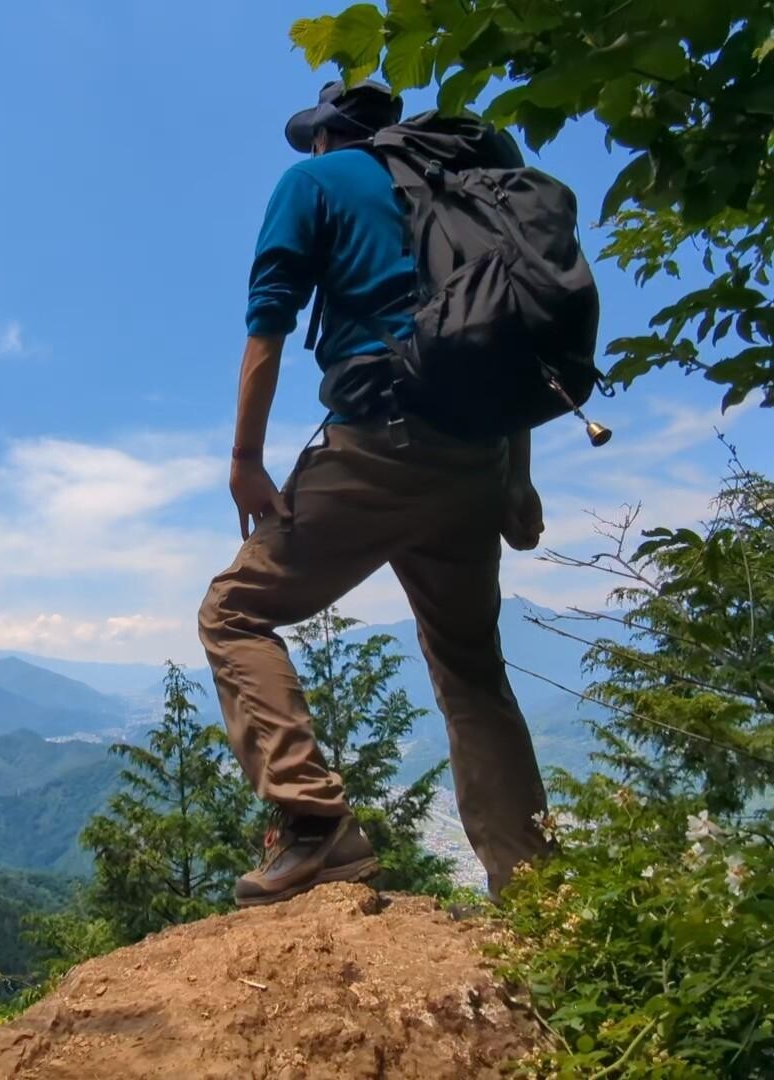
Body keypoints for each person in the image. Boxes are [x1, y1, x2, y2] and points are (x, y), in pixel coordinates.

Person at [199, 80, 550, 907]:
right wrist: (516, 475)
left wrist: (246, 459)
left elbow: (268, 327)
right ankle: (538, 894)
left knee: (234, 613)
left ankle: (316, 826)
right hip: (478, 454)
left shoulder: (316, 182)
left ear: (326, 136)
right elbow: (502, 338)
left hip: (380, 443)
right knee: (471, 673)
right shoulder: (457, 189)